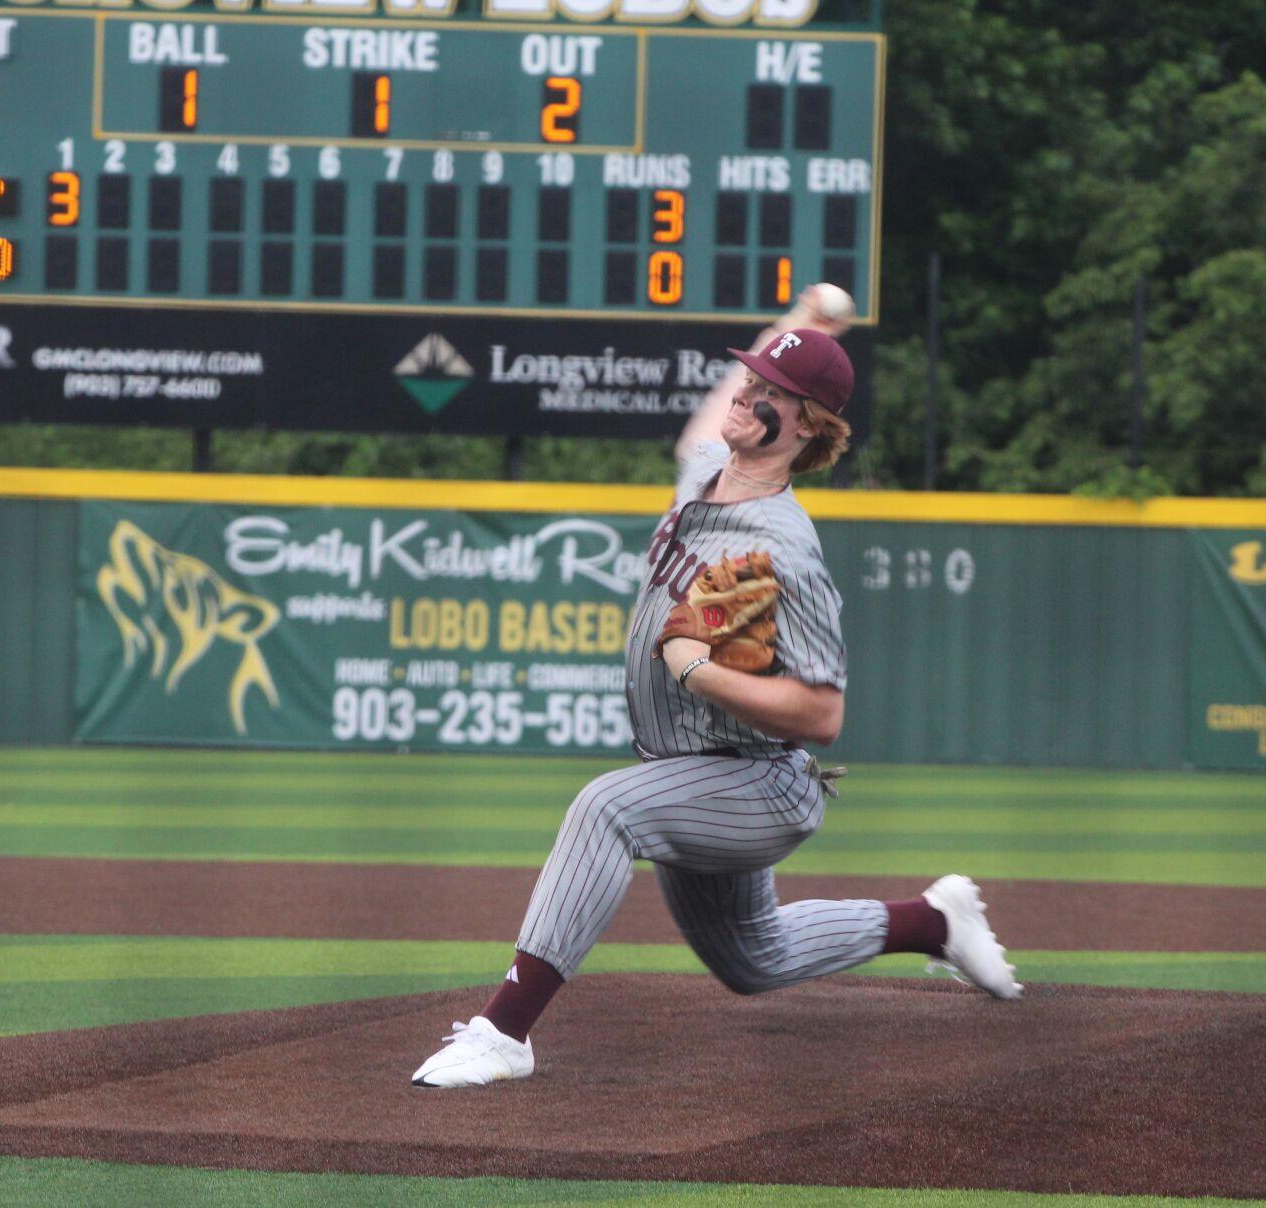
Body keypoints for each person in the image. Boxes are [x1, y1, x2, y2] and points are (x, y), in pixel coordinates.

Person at [411, 314, 1020, 1091]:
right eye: (751, 379)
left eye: (771, 392)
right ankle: (934, 921)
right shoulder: (708, 476)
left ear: (808, 425)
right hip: (688, 771)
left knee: (605, 808)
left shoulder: (781, 545)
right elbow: (698, 433)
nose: (745, 393)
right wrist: (795, 324)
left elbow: (822, 714)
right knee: (751, 959)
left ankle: (504, 1032)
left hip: (755, 781)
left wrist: (700, 673)